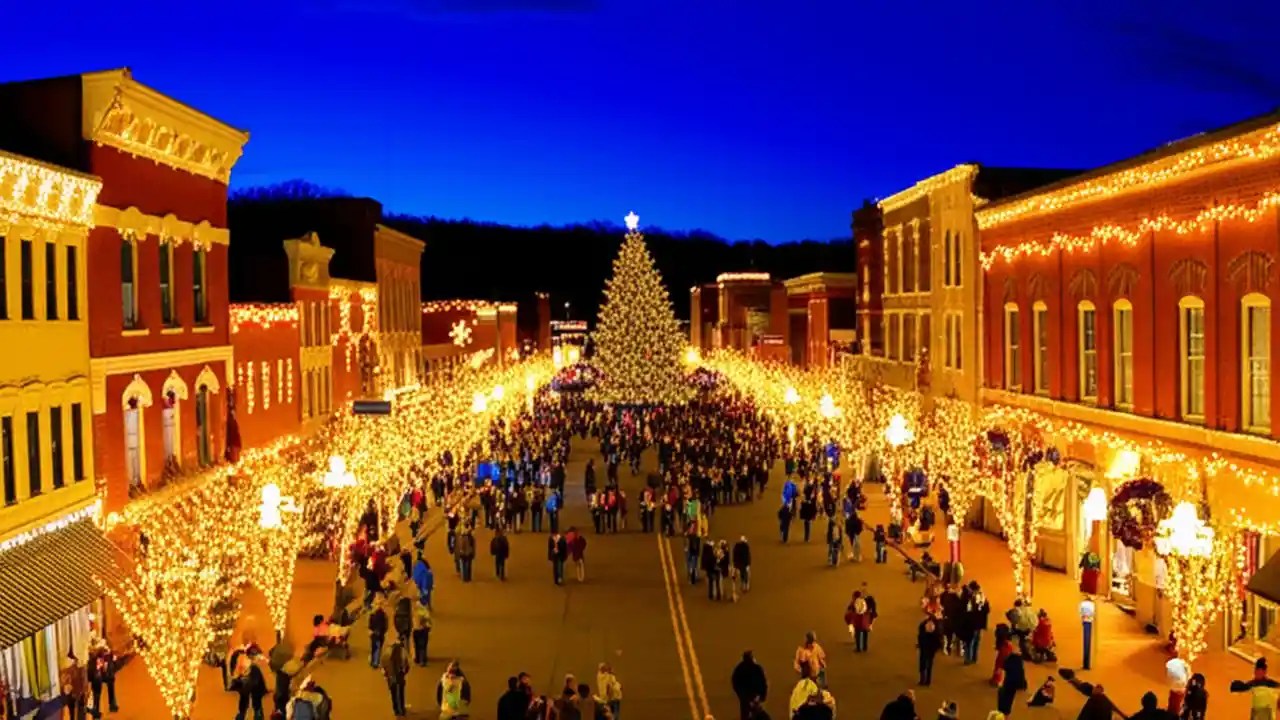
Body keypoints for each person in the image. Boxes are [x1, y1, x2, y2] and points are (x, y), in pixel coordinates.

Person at [731, 651, 768, 720]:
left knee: (746, 715)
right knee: (758, 714)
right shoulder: (757, 668)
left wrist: (741, 695)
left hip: (745, 697)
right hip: (755, 697)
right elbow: (763, 683)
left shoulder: (739, 669)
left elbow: (735, 682)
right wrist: (762, 696)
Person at [87, 637, 119, 717]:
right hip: (97, 675)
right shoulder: (95, 655)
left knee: (109, 681)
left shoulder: (105, 655)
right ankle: (97, 708)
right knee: (97, 687)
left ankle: (109, 704)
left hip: (102, 673)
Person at [383, 638, 410, 717]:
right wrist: (404, 673)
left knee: (393, 693)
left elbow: (383, 665)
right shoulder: (403, 654)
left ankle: (396, 710)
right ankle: (402, 709)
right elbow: (407, 666)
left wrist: (386, 674)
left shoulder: (387, 654)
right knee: (401, 693)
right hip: (400, 676)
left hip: (391, 677)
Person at [996, 646, 1026, 715]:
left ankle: (1003, 712)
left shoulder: (1011, 659)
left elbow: (1003, 668)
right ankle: (1005, 712)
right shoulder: (1018, 660)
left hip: (1008, 683)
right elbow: (1021, 674)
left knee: (1004, 698)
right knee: (1008, 699)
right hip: (1012, 684)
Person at [60, 652, 89, 720]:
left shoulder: (66, 670)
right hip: (77, 692)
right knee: (79, 709)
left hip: (73, 693)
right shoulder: (80, 669)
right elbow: (84, 681)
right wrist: (85, 690)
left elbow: (63, 682)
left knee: (73, 710)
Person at [916, 617, 942, 686]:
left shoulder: (923, 626)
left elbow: (920, 635)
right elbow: (938, 640)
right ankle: (927, 680)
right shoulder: (936, 628)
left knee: (923, 664)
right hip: (929, 649)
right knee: (928, 665)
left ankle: (923, 679)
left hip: (925, 648)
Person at [368, 599, 389, 669]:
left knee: (374, 647)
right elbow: (386, 625)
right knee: (378, 648)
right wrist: (384, 631)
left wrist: (370, 630)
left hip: (374, 633)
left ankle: (374, 662)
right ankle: (375, 662)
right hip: (380, 634)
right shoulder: (384, 615)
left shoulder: (373, 614)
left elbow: (370, 624)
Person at [412, 601, 433, 666]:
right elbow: (429, 622)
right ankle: (422, 660)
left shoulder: (414, 612)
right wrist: (429, 628)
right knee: (423, 646)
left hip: (415, 630)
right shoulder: (425, 612)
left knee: (416, 645)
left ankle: (417, 658)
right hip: (423, 630)